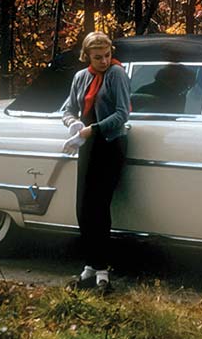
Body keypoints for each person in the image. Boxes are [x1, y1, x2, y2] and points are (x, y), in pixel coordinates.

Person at [62, 32, 130, 291]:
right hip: (87, 143)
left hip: (111, 143)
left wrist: (93, 129)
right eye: (98, 57)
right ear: (87, 56)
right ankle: (90, 265)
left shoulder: (116, 74)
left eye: (108, 55)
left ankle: (102, 270)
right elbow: (67, 108)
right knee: (83, 207)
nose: (104, 60)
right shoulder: (81, 77)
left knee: (100, 207)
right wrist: (74, 123)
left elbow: (122, 114)